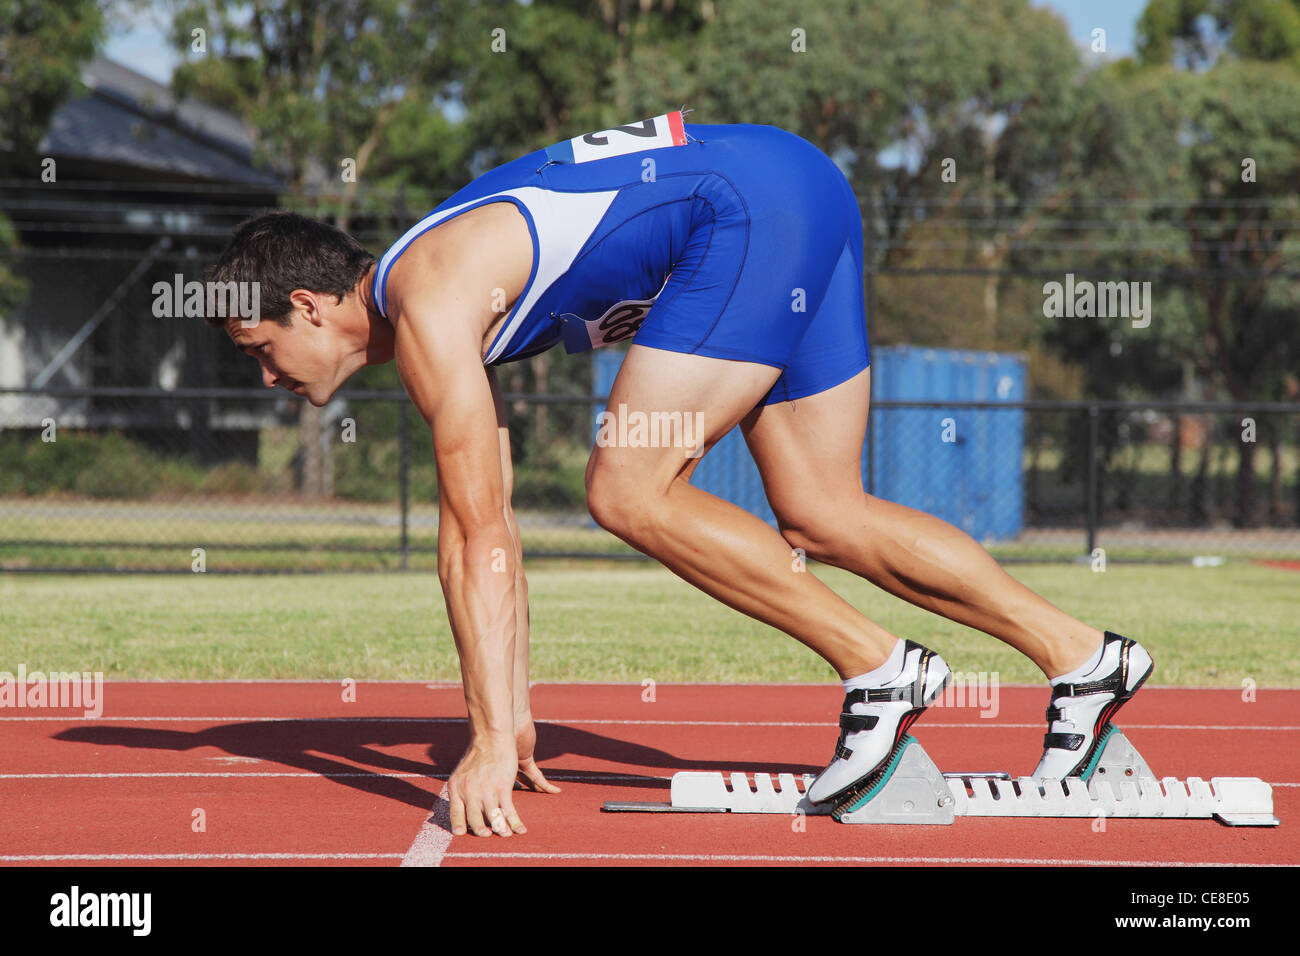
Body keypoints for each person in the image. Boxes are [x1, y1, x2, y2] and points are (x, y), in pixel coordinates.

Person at [205, 111, 1153, 838]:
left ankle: (881, 669)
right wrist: (514, 714)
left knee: (627, 487)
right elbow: (489, 524)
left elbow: (473, 536)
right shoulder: (435, 289)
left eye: (261, 347)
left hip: (748, 206)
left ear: (308, 306)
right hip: (801, 185)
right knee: (821, 508)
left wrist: (493, 737)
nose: (268, 376)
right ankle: (1084, 658)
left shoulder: (430, 299)